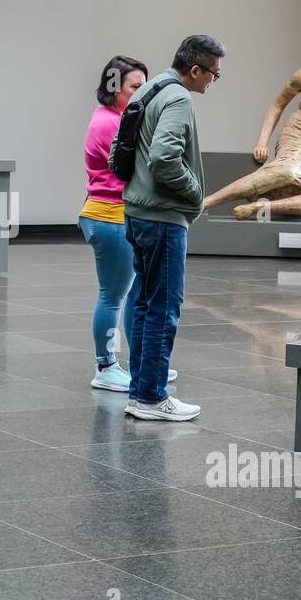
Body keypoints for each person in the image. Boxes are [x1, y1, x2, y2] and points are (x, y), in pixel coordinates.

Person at [112, 35, 225, 421]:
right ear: (196, 70)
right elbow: (164, 157)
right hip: (163, 218)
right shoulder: (179, 97)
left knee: (144, 304)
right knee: (163, 307)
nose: (212, 82)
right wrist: (195, 192)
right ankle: (152, 397)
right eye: (213, 74)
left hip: (138, 212)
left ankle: (140, 393)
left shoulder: (150, 87)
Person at [79, 56, 177, 393]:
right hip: (110, 217)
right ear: (113, 87)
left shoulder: (116, 118)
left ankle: (140, 364)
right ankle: (105, 367)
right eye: (135, 87)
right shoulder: (110, 123)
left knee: (133, 295)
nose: (141, 93)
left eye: (143, 87)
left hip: (118, 216)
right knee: (113, 297)